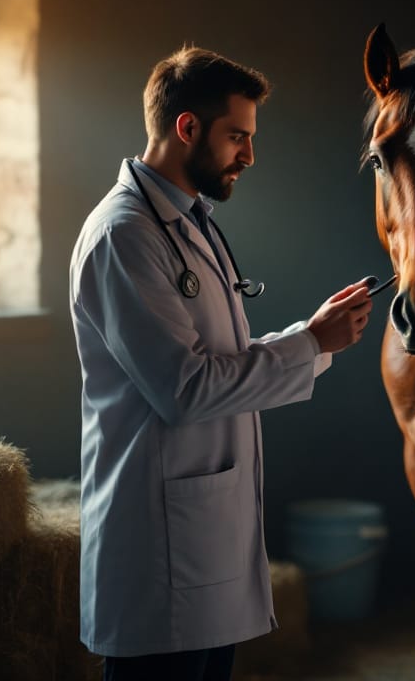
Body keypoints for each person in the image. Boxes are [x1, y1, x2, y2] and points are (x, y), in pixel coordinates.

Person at [69, 46, 375, 681]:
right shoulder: (123, 236)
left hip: (204, 543)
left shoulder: (190, 223)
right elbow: (184, 389)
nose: (250, 155)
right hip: (158, 551)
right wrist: (312, 344)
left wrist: (313, 336)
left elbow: (222, 362)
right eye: (238, 136)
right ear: (187, 128)